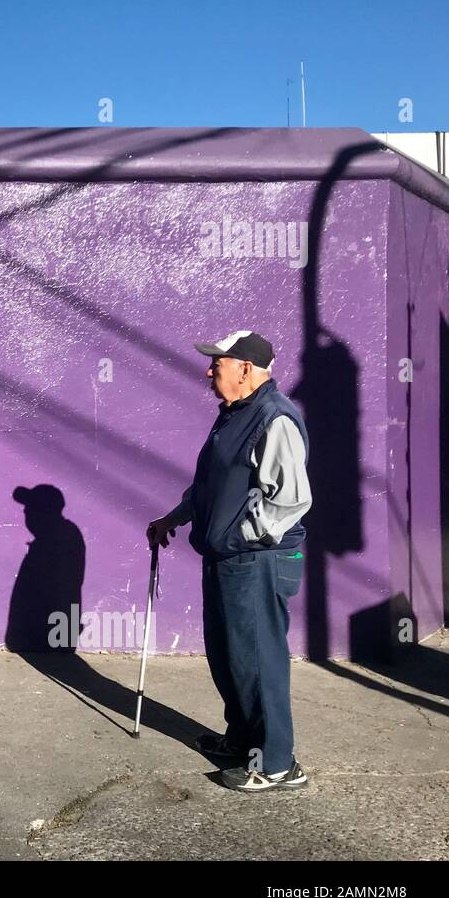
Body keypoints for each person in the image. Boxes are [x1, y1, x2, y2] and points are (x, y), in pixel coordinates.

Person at [146, 331, 312, 792]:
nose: (208, 371)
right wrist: (172, 518)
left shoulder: (274, 418)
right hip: (226, 556)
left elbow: (293, 500)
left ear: (245, 368)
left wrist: (239, 535)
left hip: (256, 559)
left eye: (217, 364)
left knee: (258, 660)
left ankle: (277, 763)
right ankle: (242, 741)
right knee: (229, 656)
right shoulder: (232, 416)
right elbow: (210, 488)